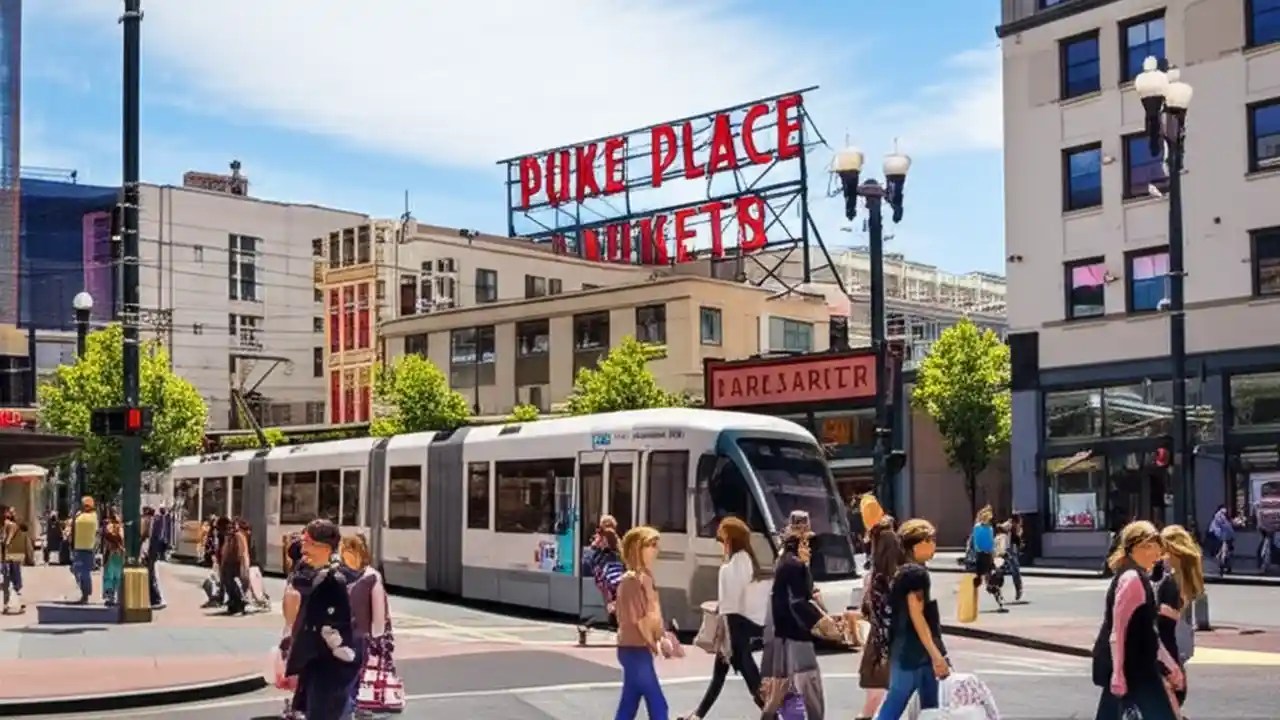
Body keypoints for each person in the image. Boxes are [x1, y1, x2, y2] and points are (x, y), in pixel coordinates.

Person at [1091, 520, 1183, 720]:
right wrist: (1117, 672)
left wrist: (1170, 664)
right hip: (1133, 670)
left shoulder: (1141, 578)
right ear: (1137, 548)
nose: (1158, 553)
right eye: (1152, 546)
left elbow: (1148, 631)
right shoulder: (1131, 579)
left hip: (1139, 667)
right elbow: (1117, 630)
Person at [679, 516, 767, 720]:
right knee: (726, 672)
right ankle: (699, 715)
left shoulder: (740, 559)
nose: (720, 540)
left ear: (731, 537)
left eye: (723, 535)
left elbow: (734, 595)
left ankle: (772, 712)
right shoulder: (738, 559)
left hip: (735, 623)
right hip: (731, 621)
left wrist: (724, 621)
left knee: (747, 671)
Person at [759, 512, 833, 719]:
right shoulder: (795, 565)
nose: (811, 549)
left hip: (780, 633)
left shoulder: (784, 559)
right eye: (808, 543)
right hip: (795, 632)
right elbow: (799, 601)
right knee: (810, 686)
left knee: (780, 688)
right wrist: (821, 622)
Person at [875, 518, 948, 719]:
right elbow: (917, 616)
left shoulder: (905, 571)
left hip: (910, 651)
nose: (934, 545)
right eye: (930, 540)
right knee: (896, 703)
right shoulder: (915, 574)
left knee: (930, 708)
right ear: (918, 544)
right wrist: (936, 655)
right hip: (911, 653)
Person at [612, 525, 671, 720]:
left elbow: (654, 613)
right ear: (638, 548)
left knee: (628, 706)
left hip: (639, 649)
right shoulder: (630, 581)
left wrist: (661, 635)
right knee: (658, 705)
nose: (656, 550)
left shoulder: (646, 578)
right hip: (633, 649)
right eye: (651, 545)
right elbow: (637, 619)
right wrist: (656, 642)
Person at [342, 534, 403, 717]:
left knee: (355, 672)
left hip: (360, 635)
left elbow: (378, 609)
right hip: (342, 633)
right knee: (347, 673)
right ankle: (349, 706)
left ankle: (351, 706)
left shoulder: (371, 577)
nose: (345, 555)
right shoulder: (339, 574)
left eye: (349, 551)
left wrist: (377, 635)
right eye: (344, 551)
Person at [854, 516, 902, 720]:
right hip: (895, 643)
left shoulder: (871, 579)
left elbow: (864, 610)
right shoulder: (899, 578)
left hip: (877, 642)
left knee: (874, 699)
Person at [1150, 524, 1203, 708]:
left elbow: (1172, 613)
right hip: (1174, 644)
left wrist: (1149, 607)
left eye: (1161, 548)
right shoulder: (1181, 576)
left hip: (1166, 646)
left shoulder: (1173, 580)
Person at [968, 506, 1000, 610]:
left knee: (987, 577)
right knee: (982, 577)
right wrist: (983, 550)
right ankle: (974, 599)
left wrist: (992, 551)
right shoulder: (981, 527)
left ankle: (996, 596)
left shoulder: (985, 528)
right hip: (983, 554)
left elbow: (988, 541)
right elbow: (979, 541)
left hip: (985, 554)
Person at [70, 497, 98, 604]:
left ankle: (85, 594)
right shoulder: (81, 515)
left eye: (85, 505)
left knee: (83, 572)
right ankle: (84, 593)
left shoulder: (92, 516)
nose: (83, 506)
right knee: (77, 570)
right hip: (79, 547)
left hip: (87, 548)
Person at [101, 509, 125, 606]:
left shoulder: (109, 527)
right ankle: (115, 596)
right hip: (119, 554)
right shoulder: (121, 528)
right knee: (117, 576)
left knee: (109, 576)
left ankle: (110, 597)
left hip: (110, 553)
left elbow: (107, 537)